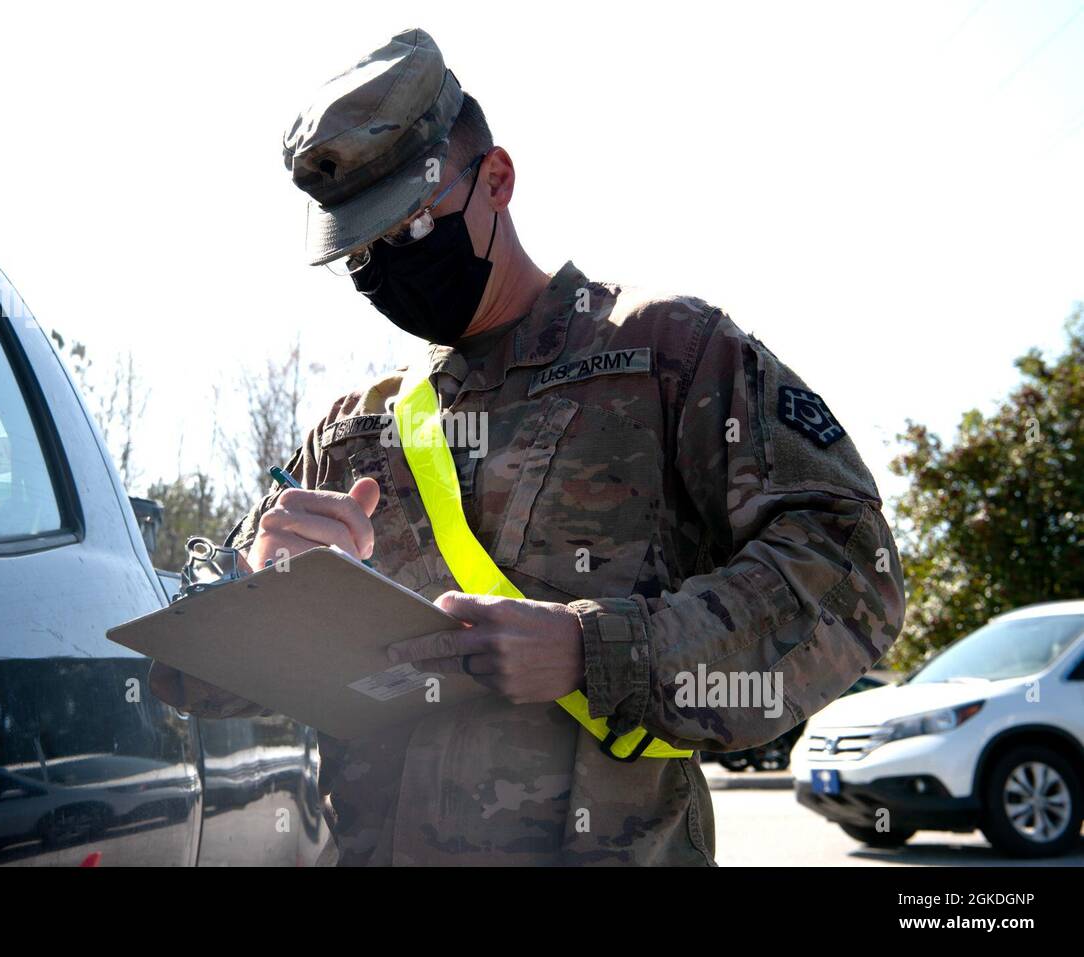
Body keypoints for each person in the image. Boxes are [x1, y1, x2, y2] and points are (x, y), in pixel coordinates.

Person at [149, 27, 906, 866]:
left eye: (405, 231)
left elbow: (853, 571)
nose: (385, 272)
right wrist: (262, 581)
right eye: (359, 256)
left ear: (495, 180)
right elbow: (191, 682)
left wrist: (596, 651)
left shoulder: (668, 354)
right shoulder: (352, 431)